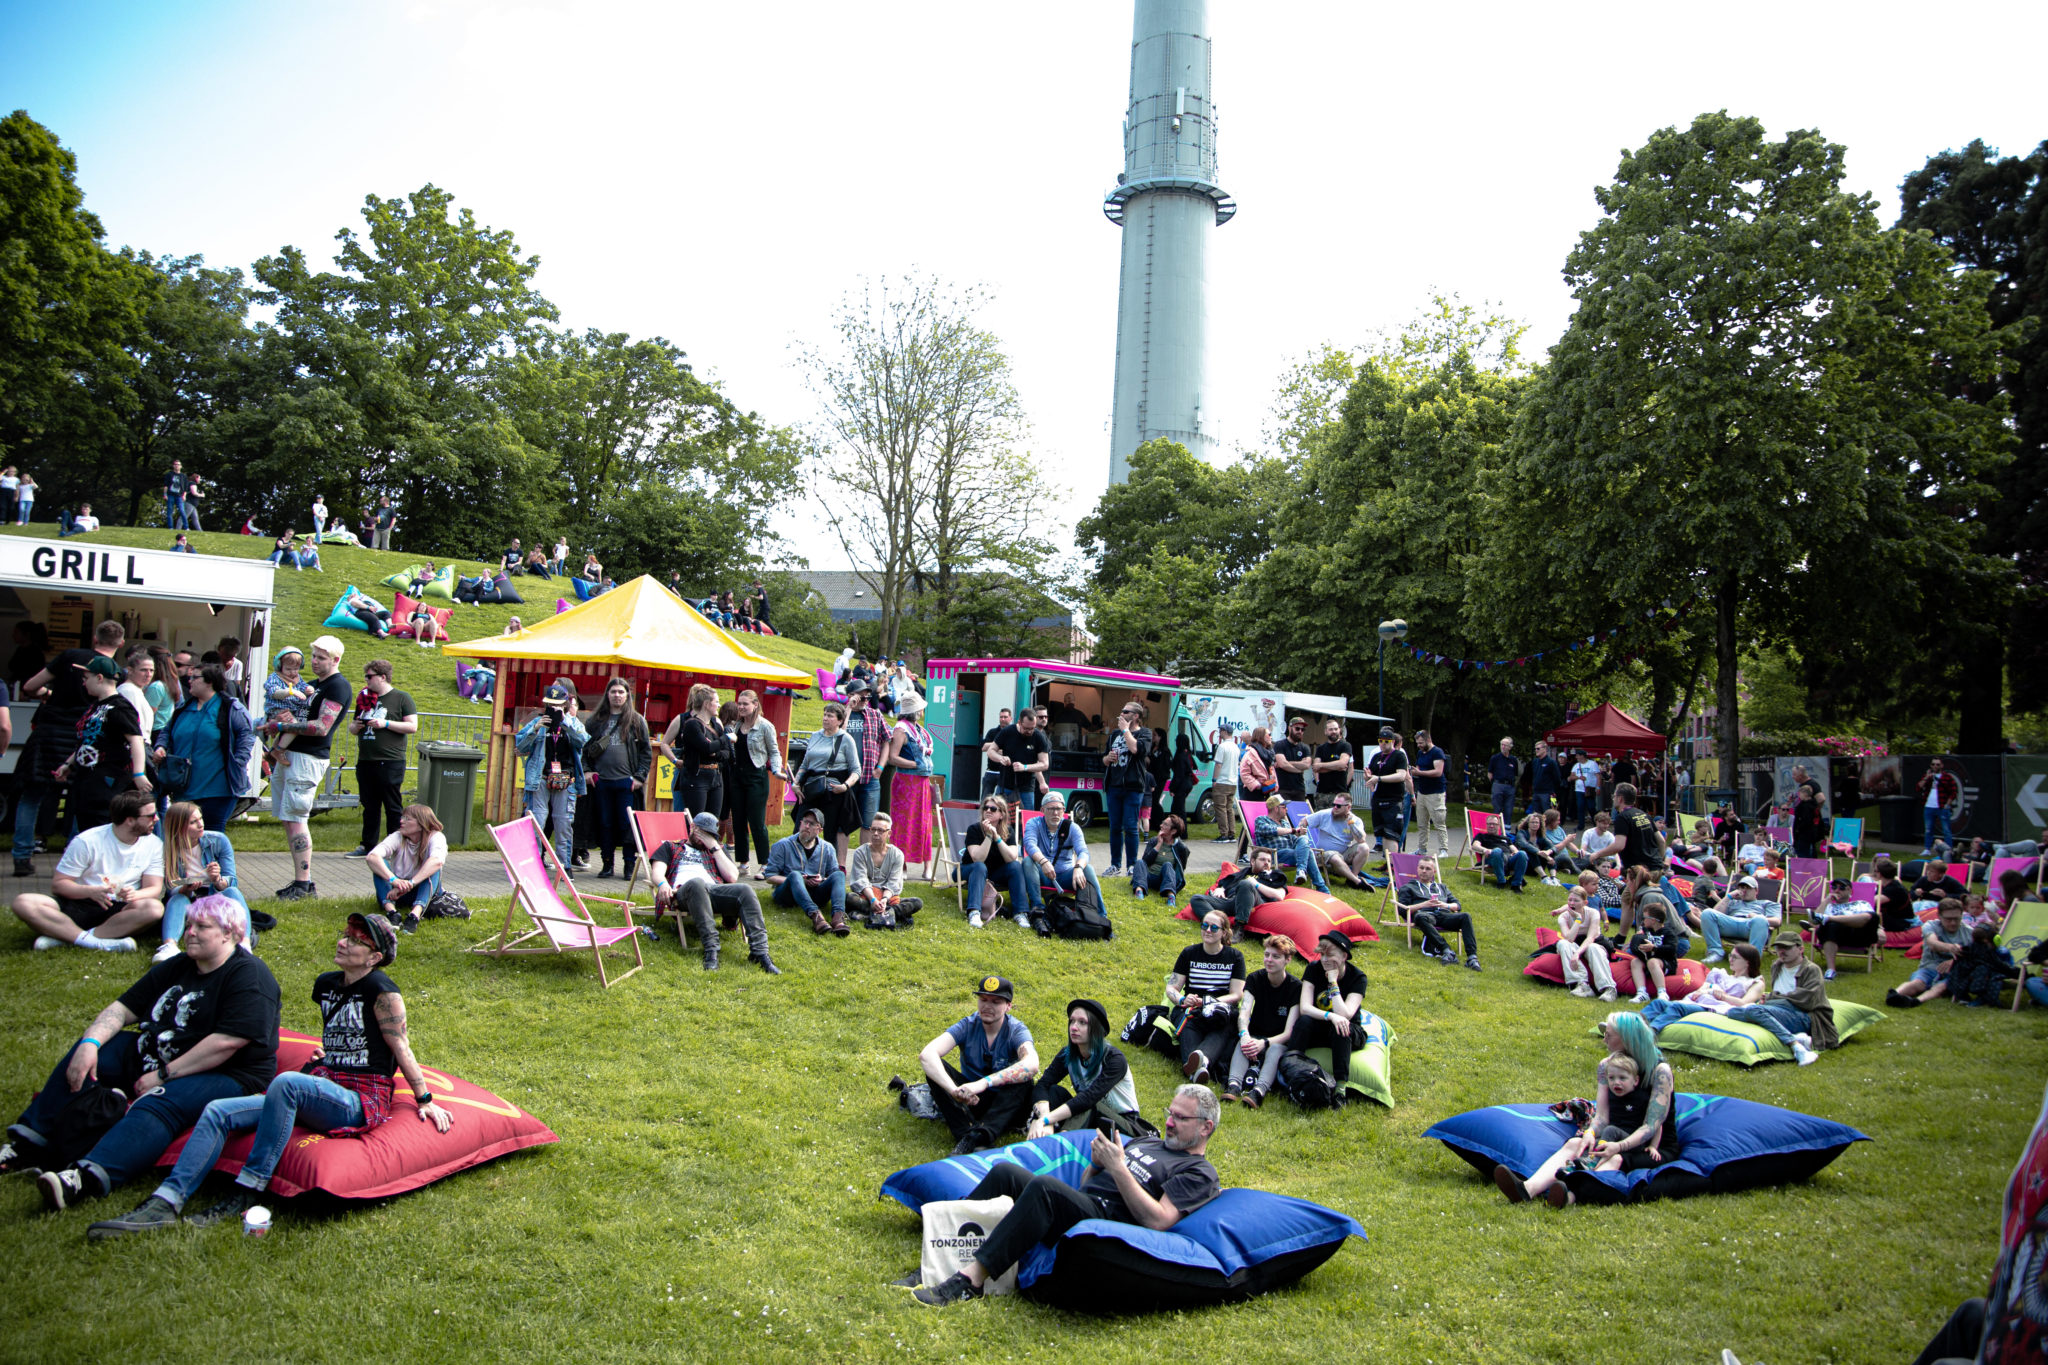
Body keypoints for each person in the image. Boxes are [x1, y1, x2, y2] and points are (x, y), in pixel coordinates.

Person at [87, 909, 453, 1236]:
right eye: (344, 934)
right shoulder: (326, 985)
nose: (343, 942)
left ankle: (247, 1190)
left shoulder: (381, 989)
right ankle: (165, 1202)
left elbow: (399, 1045)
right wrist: (332, 1053)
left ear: (374, 957)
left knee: (287, 1084)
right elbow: (345, 1033)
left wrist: (425, 1099)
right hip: (327, 1082)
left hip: (358, 1098)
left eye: (356, 942)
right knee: (218, 1111)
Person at [5, 894, 279, 1211]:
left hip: (226, 1073)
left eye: (201, 926)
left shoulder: (249, 976)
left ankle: (85, 1177)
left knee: (161, 1100)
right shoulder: (180, 965)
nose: (188, 932)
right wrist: (89, 1044)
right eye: (188, 924)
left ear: (230, 934)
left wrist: (163, 1075)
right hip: (155, 1051)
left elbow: (226, 1042)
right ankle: (28, 1144)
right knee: (97, 1052)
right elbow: (122, 1009)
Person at [910, 1085, 1220, 1307]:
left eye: (1180, 1118)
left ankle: (971, 1281)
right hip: (1086, 1202)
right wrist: (1097, 1167)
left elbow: (1158, 1220)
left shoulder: (1198, 1172)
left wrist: (1119, 1168)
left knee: (1045, 1188)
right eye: (1170, 1112)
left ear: (1206, 1127)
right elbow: (1087, 1184)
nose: (1168, 1122)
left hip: (1111, 1222)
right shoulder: (1150, 1144)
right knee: (1006, 1172)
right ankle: (940, 1259)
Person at [1493, 1013, 1677, 1207]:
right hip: (1613, 1135)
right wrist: (1590, 1132)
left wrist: (1618, 1147)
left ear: (1627, 1039)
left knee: (1613, 1158)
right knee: (1575, 1143)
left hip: (1649, 1146)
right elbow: (1603, 1115)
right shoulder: (1607, 1067)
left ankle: (1569, 1195)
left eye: (1609, 1035)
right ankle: (1526, 1189)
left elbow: (1650, 1126)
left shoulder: (1660, 1071)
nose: (1604, 1038)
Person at [10, 790, 164, 953]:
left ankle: (68, 937)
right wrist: (90, 891)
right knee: (23, 902)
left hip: (120, 909)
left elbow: (154, 888)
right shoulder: (87, 841)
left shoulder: (153, 844)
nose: (156, 819)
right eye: (151, 816)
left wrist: (135, 894)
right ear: (130, 820)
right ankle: (94, 942)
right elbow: (59, 885)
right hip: (80, 903)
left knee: (154, 908)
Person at [260, 636, 352, 899]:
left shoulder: (338, 686)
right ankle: (301, 881)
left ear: (335, 660)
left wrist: (283, 726)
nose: (314, 662)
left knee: (297, 819)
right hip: (289, 755)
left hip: (308, 759)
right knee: (289, 819)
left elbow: (322, 727)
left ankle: (304, 884)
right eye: (313, 656)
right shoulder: (310, 686)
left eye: (321, 658)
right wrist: (276, 720)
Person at [916, 975, 1040, 1155]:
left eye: (996, 1002)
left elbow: (1032, 1064)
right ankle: (965, 1135)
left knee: (1024, 1080)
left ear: (1008, 1006)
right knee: (935, 1069)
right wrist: (955, 1091)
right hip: (971, 1099)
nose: (987, 1006)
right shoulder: (968, 1025)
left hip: (1006, 1104)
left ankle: (979, 1136)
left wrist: (983, 1083)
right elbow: (927, 1055)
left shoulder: (1016, 1030)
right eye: (983, 1000)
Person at [650, 811, 777, 971]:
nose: (705, 839)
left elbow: (732, 877)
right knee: (697, 883)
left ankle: (760, 953)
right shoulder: (671, 846)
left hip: (713, 892)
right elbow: (657, 871)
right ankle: (711, 950)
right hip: (685, 893)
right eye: (703, 833)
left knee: (745, 888)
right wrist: (662, 884)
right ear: (693, 827)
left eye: (710, 835)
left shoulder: (715, 849)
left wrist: (714, 847)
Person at [157, 662, 255, 832]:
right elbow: (166, 731)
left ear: (210, 682)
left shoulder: (230, 707)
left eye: (195, 677)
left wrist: (238, 761)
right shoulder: (184, 708)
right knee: (182, 836)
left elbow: (248, 733)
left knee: (210, 835)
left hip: (218, 789)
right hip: (184, 786)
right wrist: (161, 747)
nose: (189, 681)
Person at [1025, 998, 1143, 1137]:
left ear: (1097, 1028)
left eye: (1082, 1022)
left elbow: (1089, 1098)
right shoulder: (1067, 1054)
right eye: (1072, 1021)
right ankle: (1040, 1132)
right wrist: (1045, 1118)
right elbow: (1043, 1084)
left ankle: (1062, 1144)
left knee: (1088, 1104)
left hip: (1123, 1124)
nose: (1074, 1027)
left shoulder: (1114, 1059)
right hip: (1089, 1117)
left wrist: (1046, 1119)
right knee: (1054, 1091)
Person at [57, 655, 150, 831]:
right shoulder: (95, 706)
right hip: (86, 780)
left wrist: (138, 773)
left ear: (99, 678)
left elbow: (136, 739)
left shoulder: (120, 707)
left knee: (101, 828)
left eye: (86, 678)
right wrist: (68, 764)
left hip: (107, 783)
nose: (83, 683)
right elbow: (87, 740)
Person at [573, 677, 650, 881]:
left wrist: (640, 777)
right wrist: (588, 772)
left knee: (627, 825)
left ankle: (628, 866)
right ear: (607, 694)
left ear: (627, 696)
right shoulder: (595, 721)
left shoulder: (636, 721)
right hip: (602, 782)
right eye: (613, 691)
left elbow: (645, 753)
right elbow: (584, 751)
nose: (617, 695)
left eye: (621, 692)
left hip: (627, 782)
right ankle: (607, 864)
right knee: (604, 823)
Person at [514, 680, 590, 874]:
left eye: (558, 705)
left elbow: (583, 742)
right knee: (537, 822)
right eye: (551, 705)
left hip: (566, 780)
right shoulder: (537, 722)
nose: (554, 708)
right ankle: (534, 866)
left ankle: (565, 866)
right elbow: (520, 747)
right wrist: (535, 728)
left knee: (563, 823)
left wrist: (565, 723)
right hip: (540, 778)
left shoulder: (572, 722)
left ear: (566, 704)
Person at [346, 658, 418, 858]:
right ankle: (368, 845)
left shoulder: (401, 698)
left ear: (382, 677)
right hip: (366, 760)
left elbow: (412, 726)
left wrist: (385, 724)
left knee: (392, 805)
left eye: (370, 676)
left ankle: (395, 846)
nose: (366, 680)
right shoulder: (364, 698)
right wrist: (356, 726)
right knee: (369, 805)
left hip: (390, 761)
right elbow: (353, 727)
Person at [1725, 932, 1834, 1064]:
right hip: (1779, 1010)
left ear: (1801, 949)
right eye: (1778, 948)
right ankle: (1797, 1039)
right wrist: (1772, 1000)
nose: (1781, 952)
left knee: (1754, 1011)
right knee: (1732, 1012)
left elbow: (1806, 1000)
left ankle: (1797, 1047)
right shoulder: (1777, 966)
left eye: (1786, 948)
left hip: (1803, 1015)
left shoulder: (1811, 970)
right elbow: (1779, 995)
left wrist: (1772, 997)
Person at [157, 800, 244, 961]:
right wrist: (186, 888)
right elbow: (171, 886)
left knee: (233, 891)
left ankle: (244, 943)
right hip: (189, 896)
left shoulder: (218, 841)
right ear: (179, 827)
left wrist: (217, 879)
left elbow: (232, 880)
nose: (200, 824)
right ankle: (169, 945)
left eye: (200, 819)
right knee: (177, 898)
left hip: (214, 894)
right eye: (193, 822)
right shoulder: (169, 849)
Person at [1290, 931, 1368, 1106]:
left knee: (1341, 1027)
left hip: (1348, 1030)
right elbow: (1305, 1008)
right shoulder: (1313, 968)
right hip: (1321, 1023)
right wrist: (1330, 1016)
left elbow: (1345, 1013)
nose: (1324, 960)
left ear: (1344, 956)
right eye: (1322, 954)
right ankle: (1290, 1073)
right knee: (1303, 1022)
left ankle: (1340, 1089)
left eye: (1330, 955)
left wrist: (1333, 982)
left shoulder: (1358, 977)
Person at [1225, 935, 1299, 1107]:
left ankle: (1259, 1091)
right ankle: (1233, 1085)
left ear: (1288, 959)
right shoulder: (1255, 978)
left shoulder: (1296, 987)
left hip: (1276, 1041)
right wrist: (1245, 1035)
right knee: (1243, 1043)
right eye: (1267, 955)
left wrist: (1264, 1043)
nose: (1269, 960)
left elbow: (1289, 1032)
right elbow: (1244, 1012)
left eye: (1276, 956)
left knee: (1274, 1051)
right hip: (1256, 1033)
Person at [791, 701, 861, 864]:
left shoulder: (845, 739)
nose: (825, 718)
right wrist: (796, 783)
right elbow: (804, 764)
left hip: (832, 792)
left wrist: (844, 786)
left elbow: (856, 770)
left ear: (839, 720)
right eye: (824, 715)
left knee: (830, 833)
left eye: (830, 716)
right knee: (801, 829)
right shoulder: (815, 736)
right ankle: (796, 864)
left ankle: (829, 869)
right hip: (811, 789)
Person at [765, 806, 850, 936]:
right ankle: (816, 916)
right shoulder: (782, 845)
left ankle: (838, 918)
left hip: (816, 892)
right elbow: (769, 876)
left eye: (812, 824)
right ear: (800, 823)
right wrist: (800, 881)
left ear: (820, 830)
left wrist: (822, 880)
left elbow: (832, 876)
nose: (807, 826)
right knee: (795, 875)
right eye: (805, 822)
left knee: (839, 874)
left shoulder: (827, 848)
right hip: (788, 895)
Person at [362, 804, 447, 934]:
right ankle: (392, 912)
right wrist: (394, 881)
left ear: (421, 823)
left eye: (408, 819)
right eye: (402, 817)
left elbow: (437, 861)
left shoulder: (436, 837)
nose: (401, 821)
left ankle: (414, 915)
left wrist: (410, 883)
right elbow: (372, 857)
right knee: (380, 865)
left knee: (433, 868)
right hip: (395, 892)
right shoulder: (397, 836)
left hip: (422, 891)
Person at [727, 688, 783, 877]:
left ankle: (765, 863)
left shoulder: (765, 726)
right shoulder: (736, 726)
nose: (741, 707)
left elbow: (774, 751)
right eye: (739, 704)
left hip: (756, 777)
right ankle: (743, 862)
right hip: (737, 776)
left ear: (755, 705)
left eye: (745, 704)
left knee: (757, 821)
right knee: (738, 820)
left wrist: (776, 770)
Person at [958, 794, 1033, 929]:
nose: (988, 811)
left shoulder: (1008, 831)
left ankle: (1020, 913)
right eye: (985, 808)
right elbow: (977, 858)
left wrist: (997, 837)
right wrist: (988, 836)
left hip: (995, 873)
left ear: (1001, 815)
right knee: (980, 866)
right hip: (969, 871)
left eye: (993, 809)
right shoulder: (974, 829)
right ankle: (974, 912)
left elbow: (1012, 858)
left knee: (1015, 866)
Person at [1022, 791, 1104, 909]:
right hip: (1042, 876)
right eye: (1051, 809)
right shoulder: (1033, 823)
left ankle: (1101, 913)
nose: (1055, 813)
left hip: (1065, 876)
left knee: (1088, 868)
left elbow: (1083, 852)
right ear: (1042, 810)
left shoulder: (1072, 827)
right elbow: (1029, 844)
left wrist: (1078, 867)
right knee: (1028, 862)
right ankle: (1037, 907)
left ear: (1063, 810)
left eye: (1058, 809)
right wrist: (1044, 862)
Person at [1398, 856, 1482, 970]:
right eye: (1421, 868)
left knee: (1465, 916)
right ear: (1417, 869)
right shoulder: (1408, 887)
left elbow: (1457, 905)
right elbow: (1402, 909)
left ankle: (1472, 958)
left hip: (1444, 915)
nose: (1424, 871)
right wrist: (1423, 905)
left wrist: (1445, 905)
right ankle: (1446, 950)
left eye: (1428, 868)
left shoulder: (1442, 887)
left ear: (1434, 871)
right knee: (1421, 916)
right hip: (1426, 915)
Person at [882, 691, 935, 868]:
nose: (922, 712)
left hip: (922, 782)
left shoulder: (919, 729)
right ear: (915, 710)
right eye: (920, 708)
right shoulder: (900, 730)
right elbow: (892, 757)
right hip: (906, 781)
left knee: (924, 821)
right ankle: (901, 864)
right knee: (904, 822)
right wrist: (914, 764)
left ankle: (926, 865)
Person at [1889, 898, 1970, 1008]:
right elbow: (1932, 943)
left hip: (1954, 972)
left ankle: (1916, 1001)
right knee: (1918, 983)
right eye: (1948, 919)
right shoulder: (1931, 926)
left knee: (1941, 987)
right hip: (1929, 968)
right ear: (1939, 916)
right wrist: (1951, 948)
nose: (1953, 922)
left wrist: (1953, 962)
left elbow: (1975, 956)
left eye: (1957, 918)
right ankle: (1894, 995)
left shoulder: (1969, 932)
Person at [1102, 699, 1151, 877]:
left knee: (1130, 827)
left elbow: (1137, 750)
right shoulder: (1114, 734)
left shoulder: (1144, 733)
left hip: (1132, 787)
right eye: (1121, 711)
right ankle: (1115, 865)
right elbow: (1104, 759)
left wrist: (1125, 730)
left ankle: (1132, 865)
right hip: (1114, 785)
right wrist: (1108, 758)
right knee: (1115, 827)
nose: (1121, 714)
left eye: (1126, 712)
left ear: (1136, 716)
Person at [849, 812, 922, 928]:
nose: (876, 834)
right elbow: (860, 880)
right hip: (867, 897)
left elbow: (894, 882)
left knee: (917, 902)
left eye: (880, 831)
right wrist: (873, 900)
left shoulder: (897, 854)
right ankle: (889, 913)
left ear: (889, 833)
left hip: (887, 899)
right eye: (873, 829)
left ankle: (869, 915)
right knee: (848, 898)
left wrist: (883, 899)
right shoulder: (860, 852)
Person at [1192, 845, 1288, 932]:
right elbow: (1225, 882)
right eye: (1263, 860)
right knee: (1196, 899)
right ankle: (1219, 926)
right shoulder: (1244, 873)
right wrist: (1220, 889)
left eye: (1269, 861)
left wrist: (1256, 884)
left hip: (1256, 904)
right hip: (1232, 902)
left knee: (1245, 884)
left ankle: (1239, 928)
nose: (1266, 863)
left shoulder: (1275, 875)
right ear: (1253, 861)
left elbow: (1279, 896)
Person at [1552, 884, 1619, 1001]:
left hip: (1595, 942)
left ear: (1585, 903)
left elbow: (1591, 938)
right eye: (1570, 900)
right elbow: (1569, 939)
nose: (1572, 903)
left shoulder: (1593, 913)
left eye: (1576, 901)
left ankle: (1609, 988)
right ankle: (1581, 984)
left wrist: (1577, 954)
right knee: (1562, 944)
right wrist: (1577, 919)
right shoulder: (1563, 917)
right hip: (1575, 942)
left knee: (1593, 947)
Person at [1253, 792, 1331, 892]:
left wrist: (1300, 835)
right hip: (1274, 854)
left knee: (1304, 841)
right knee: (1308, 852)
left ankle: (1301, 871)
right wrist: (1294, 830)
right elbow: (1271, 831)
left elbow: (1294, 840)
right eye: (1284, 807)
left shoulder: (1284, 823)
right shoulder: (1261, 820)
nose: (1287, 809)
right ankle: (1321, 888)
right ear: (1276, 808)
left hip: (1291, 853)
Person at [1696, 875, 1781, 964]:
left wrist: (1756, 916)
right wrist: (1728, 897)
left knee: (1760, 919)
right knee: (1707, 912)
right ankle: (1716, 952)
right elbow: (1714, 914)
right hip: (1731, 923)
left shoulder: (1767, 903)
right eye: (1741, 887)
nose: (1744, 890)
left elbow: (1776, 921)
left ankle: (1751, 959)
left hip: (1750, 925)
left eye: (1748, 888)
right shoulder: (1732, 902)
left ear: (1756, 891)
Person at [1625, 893, 1690, 1004]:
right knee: (1635, 962)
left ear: (1653, 920)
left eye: (1645, 918)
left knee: (1652, 962)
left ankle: (1662, 992)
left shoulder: (1668, 932)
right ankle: (1642, 993)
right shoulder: (1647, 931)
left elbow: (1671, 949)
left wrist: (1654, 948)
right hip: (1650, 960)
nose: (1643, 920)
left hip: (1667, 963)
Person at [1809, 877, 1880, 979]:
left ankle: (1829, 918)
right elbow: (1814, 923)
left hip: (1860, 936)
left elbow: (1869, 919)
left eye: (1842, 888)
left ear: (1850, 891)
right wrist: (1826, 901)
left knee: (1873, 916)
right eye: (1834, 887)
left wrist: (1830, 919)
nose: (1837, 890)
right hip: (1836, 937)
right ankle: (1831, 970)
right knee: (1831, 925)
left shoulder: (1861, 904)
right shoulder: (1828, 907)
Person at [1303, 793, 1374, 891]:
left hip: (1343, 855)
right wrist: (1302, 833)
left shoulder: (1355, 820)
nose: (1335, 808)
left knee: (1364, 847)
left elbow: (1361, 839)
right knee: (1334, 856)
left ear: (1348, 807)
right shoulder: (1324, 814)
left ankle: (1352, 878)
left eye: (1338, 806)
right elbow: (1304, 821)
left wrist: (1351, 823)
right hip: (1322, 855)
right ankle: (1357, 882)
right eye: (1334, 804)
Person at [841, 682, 888, 830]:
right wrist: (849, 707)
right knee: (843, 825)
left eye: (868, 696)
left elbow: (887, 740)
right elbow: (838, 734)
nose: (865, 700)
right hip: (846, 777)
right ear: (850, 695)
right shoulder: (839, 714)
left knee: (869, 825)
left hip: (870, 778)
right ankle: (841, 855)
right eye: (862, 697)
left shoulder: (875, 715)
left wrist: (880, 767)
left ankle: (865, 854)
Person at [992, 705, 1050, 813]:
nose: (1029, 732)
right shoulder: (1008, 732)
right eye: (1026, 728)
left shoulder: (1038, 737)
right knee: (999, 816)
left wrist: (1025, 767)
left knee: (1027, 819)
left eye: (1032, 728)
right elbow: (991, 751)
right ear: (1019, 722)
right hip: (1005, 784)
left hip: (1026, 787)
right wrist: (1001, 758)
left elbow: (1044, 764)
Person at [1362, 726, 1408, 855]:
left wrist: (1379, 779)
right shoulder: (1377, 757)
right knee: (1382, 832)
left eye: (1386, 741)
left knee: (1391, 833)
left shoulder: (1399, 756)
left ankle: (1393, 864)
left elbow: (1401, 775)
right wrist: (1368, 776)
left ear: (1393, 742)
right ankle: (1387, 862)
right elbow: (1371, 776)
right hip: (1378, 798)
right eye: (1380, 741)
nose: (1383, 744)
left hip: (1393, 800)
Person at [1408, 727, 1449, 858]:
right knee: (1422, 822)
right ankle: (1422, 849)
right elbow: (1419, 767)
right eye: (1417, 743)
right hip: (1422, 792)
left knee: (1439, 821)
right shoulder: (1421, 753)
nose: (1419, 746)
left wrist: (1419, 773)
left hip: (1436, 792)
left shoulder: (1437, 752)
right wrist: (1415, 770)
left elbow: (1438, 772)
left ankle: (1444, 849)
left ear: (1428, 740)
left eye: (1421, 743)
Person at [1132, 813, 1190, 905]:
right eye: (1162, 823)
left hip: (1164, 880)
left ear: (1173, 831)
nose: (1161, 826)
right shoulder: (1154, 840)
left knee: (1168, 864)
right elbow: (1145, 862)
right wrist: (1158, 844)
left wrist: (1177, 883)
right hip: (1148, 877)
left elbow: (1181, 868)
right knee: (1139, 862)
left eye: (1165, 825)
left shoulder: (1181, 848)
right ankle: (1139, 891)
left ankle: (1171, 896)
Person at [1311, 719, 1354, 811]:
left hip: (1339, 793)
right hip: (1322, 793)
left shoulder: (1345, 746)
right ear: (1325, 732)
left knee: (1340, 821)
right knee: (1321, 823)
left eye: (1335, 729)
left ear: (1339, 730)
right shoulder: (1321, 748)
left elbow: (1342, 764)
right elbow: (1315, 767)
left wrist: (1322, 766)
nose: (1333, 732)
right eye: (1330, 729)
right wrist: (1336, 766)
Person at [1207, 726, 1241, 842]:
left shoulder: (1222, 747)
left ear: (1225, 732)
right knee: (1229, 808)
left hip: (1222, 781)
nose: (1219, 733)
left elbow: (1218, 765)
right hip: (1233, 782)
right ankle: (1232, 833)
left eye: (1221, 731)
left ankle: (1223, 834)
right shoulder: (1236, 747)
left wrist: (1214, 779)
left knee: (1220, 808)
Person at [977, 706, 1013, 800]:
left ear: (1010, 718)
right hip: (991, 771)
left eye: (1005, 717)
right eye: (1001, 717)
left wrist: (993, 748)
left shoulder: (1014, 733)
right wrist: (997, 745)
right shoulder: (992, 732)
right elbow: (984, 747)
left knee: (1002, 801)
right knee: (985, 799)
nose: (1003, 719)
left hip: (1006, 773)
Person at [1488, 736, 1520, 826]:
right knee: (1497, 808)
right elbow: (1490, 774)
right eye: (1501, 744)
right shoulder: (1495, 758)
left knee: (1508, 809)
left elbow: (1516, 774)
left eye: (1505, 745)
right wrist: (1495, 784)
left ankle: (1507, 830)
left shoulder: (1513, 760)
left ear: (1510, 747)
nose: (1503, 747)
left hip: (1510, 786)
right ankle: (1495, 828)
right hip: (1498, 784)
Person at [1529, 740, 1563, 815]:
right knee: (1536, 814)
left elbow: (1557, 778)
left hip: (1547, 793)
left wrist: (1553, 791)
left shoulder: (1551, 762)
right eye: (1535, 749)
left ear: (1545, 749)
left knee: (1548, 814)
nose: (1536, 750)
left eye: (1538, 749)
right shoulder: (1535, 762)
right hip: (1536, 792)